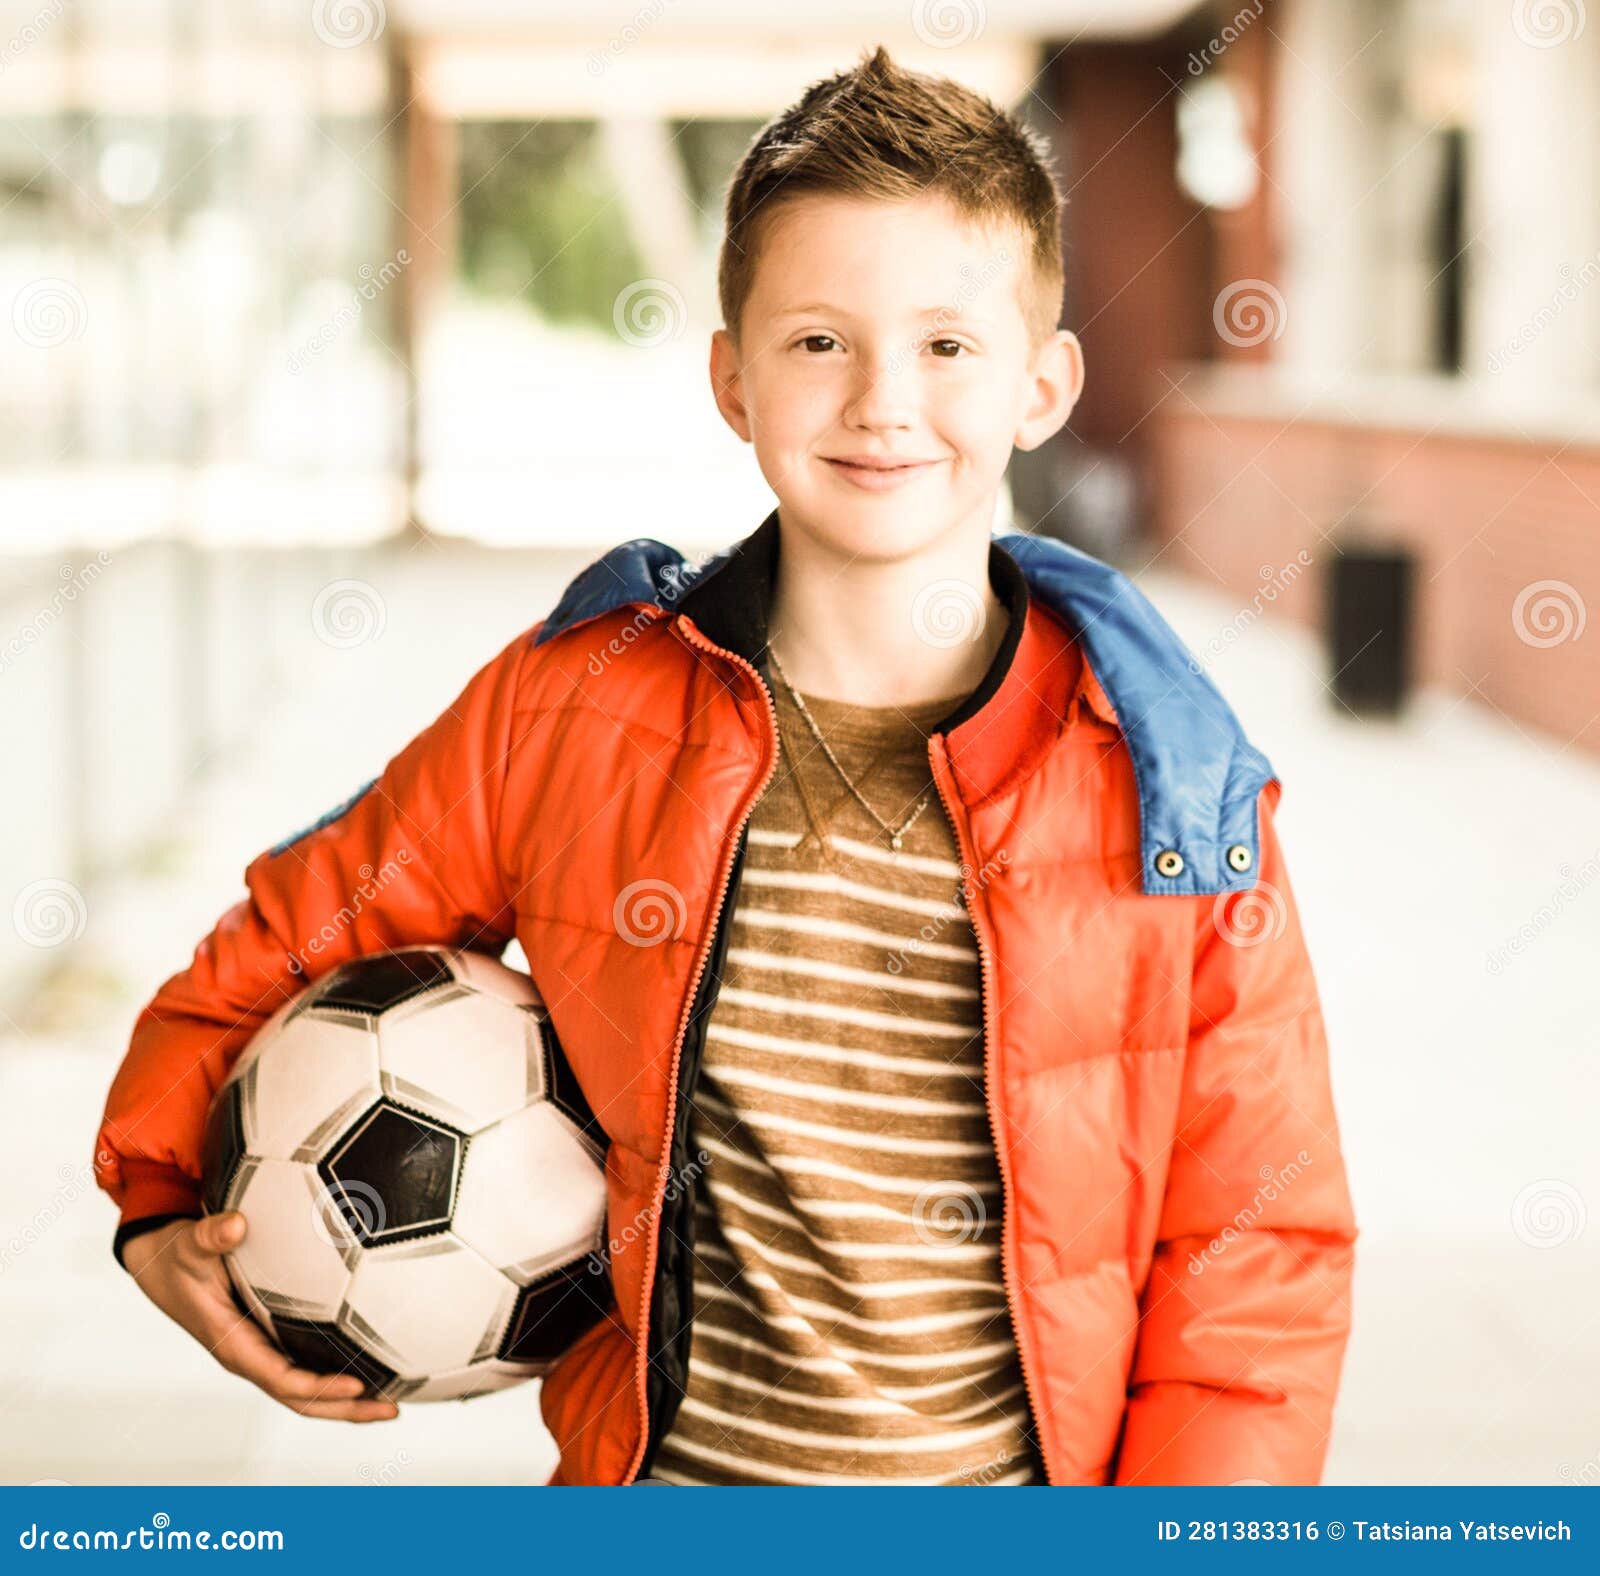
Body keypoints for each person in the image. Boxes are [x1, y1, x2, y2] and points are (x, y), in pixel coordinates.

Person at [94, 45, 1357, 1485]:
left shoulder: (1174, 791)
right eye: (820, 341)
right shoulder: (572, 711)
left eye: (948, 346)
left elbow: (1257, 1257)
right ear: (730, 379)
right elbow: (274, 944)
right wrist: (152, 1205)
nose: (885, 400)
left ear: (1043, 385)